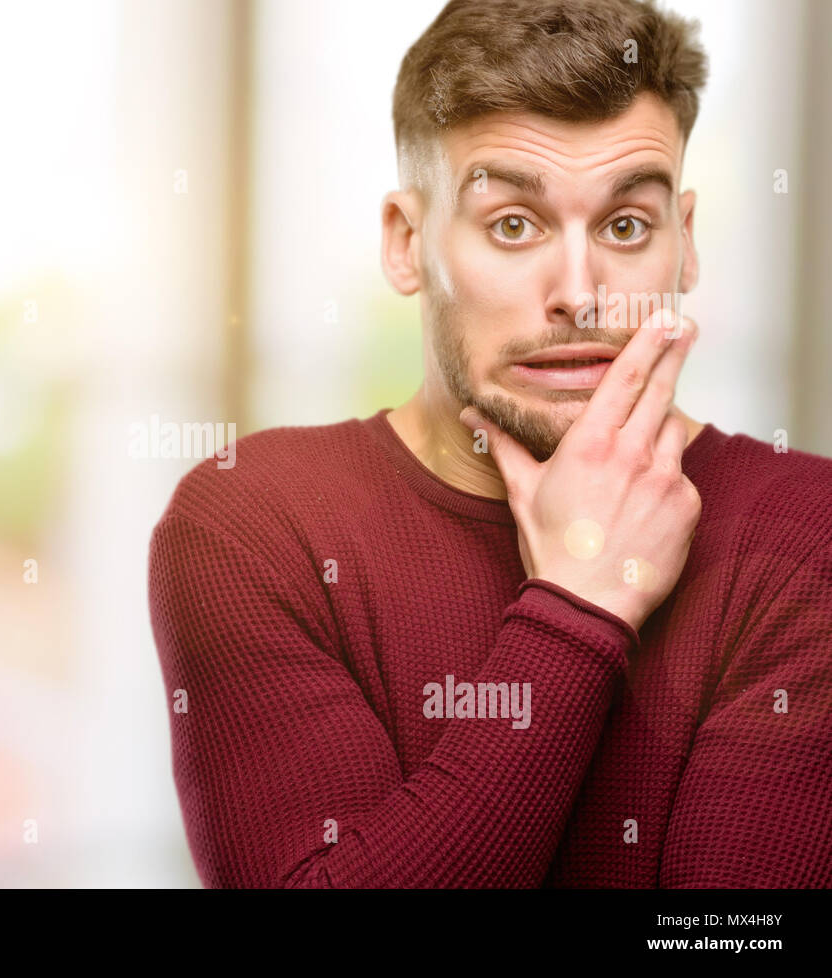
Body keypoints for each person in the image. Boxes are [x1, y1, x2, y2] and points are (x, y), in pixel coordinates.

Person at [147, 0, 832, 888]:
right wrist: (577, 607)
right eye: (514, 223)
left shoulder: (807, 534)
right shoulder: (252, 524)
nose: (581, 295)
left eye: (626, 226)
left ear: (684, 245)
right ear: (407, 243)